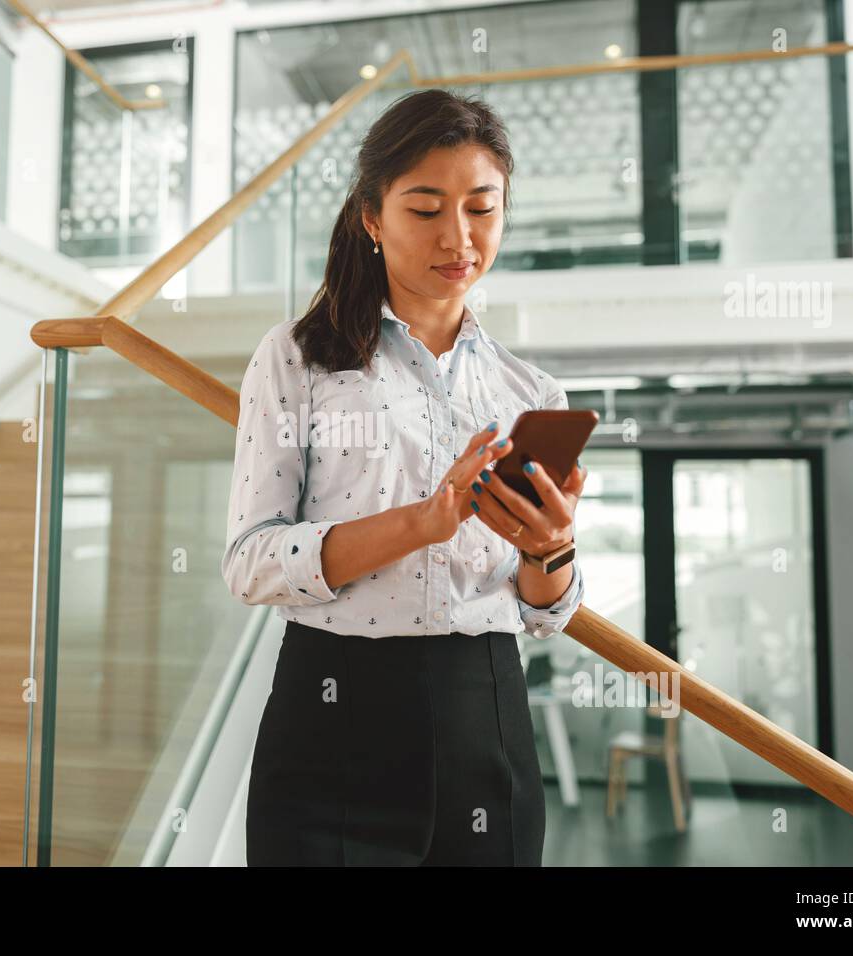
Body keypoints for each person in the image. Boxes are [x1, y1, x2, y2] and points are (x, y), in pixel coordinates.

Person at [221, 88, 587, 866]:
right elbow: (252, 563)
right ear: (371, 217)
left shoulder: (532, 395)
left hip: (485, 711)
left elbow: (546, 615)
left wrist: (550, 549)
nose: (458, 237)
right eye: (426, 209)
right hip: (333, 714)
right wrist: (423, 521)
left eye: (482, 208)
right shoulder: (297, 358)